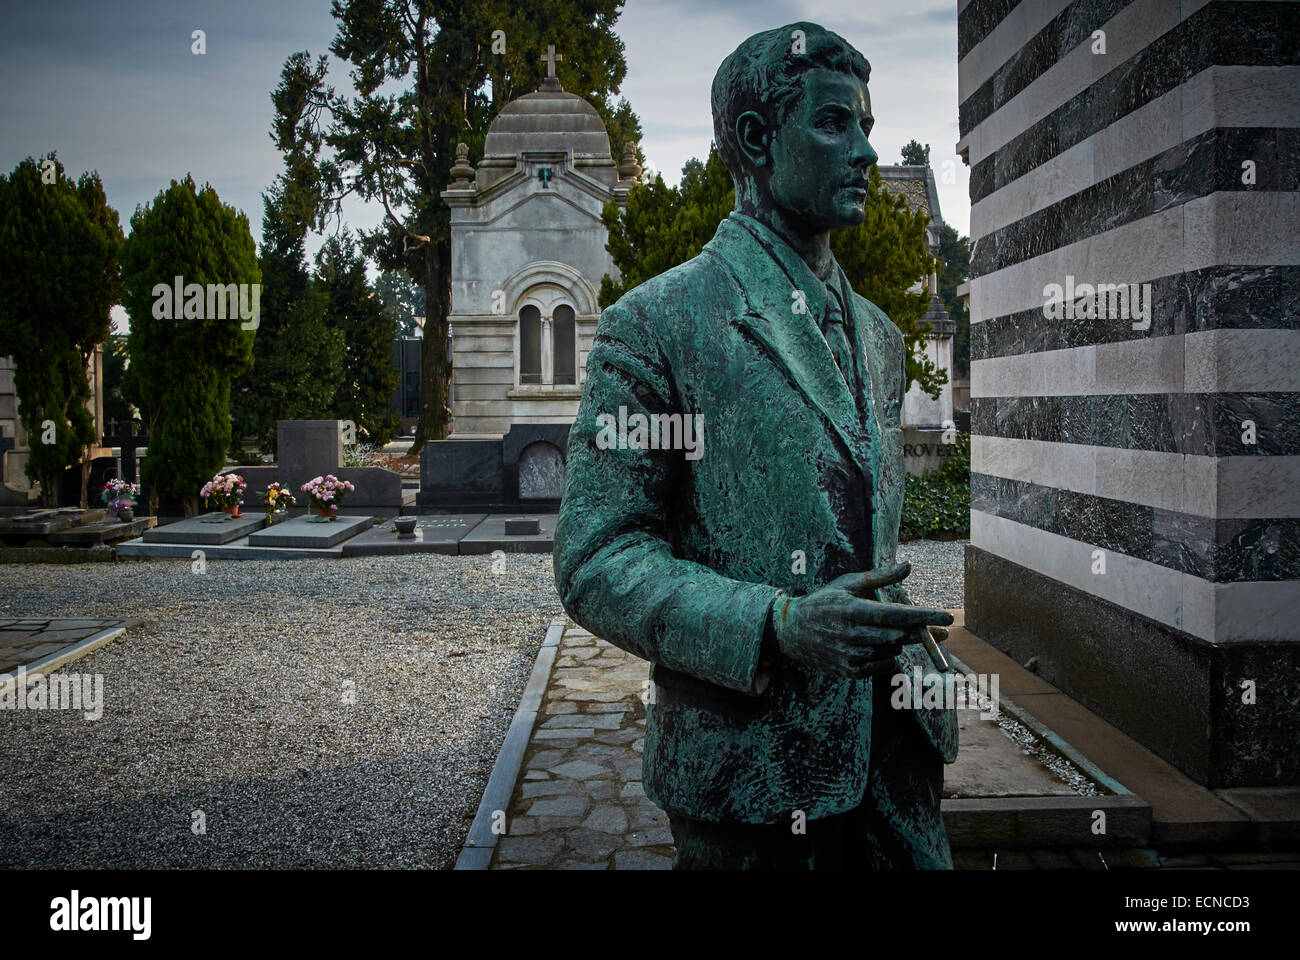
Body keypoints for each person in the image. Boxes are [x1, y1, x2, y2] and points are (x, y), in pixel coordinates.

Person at [553, 21, 957, 869]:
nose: (861, 153)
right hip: (753, 782)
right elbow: (597, 558)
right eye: (833, 124)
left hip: (899, 768)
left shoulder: (879, 338)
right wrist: (775, 624)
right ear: (754, 139)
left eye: (868, 129)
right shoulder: (658, 324)